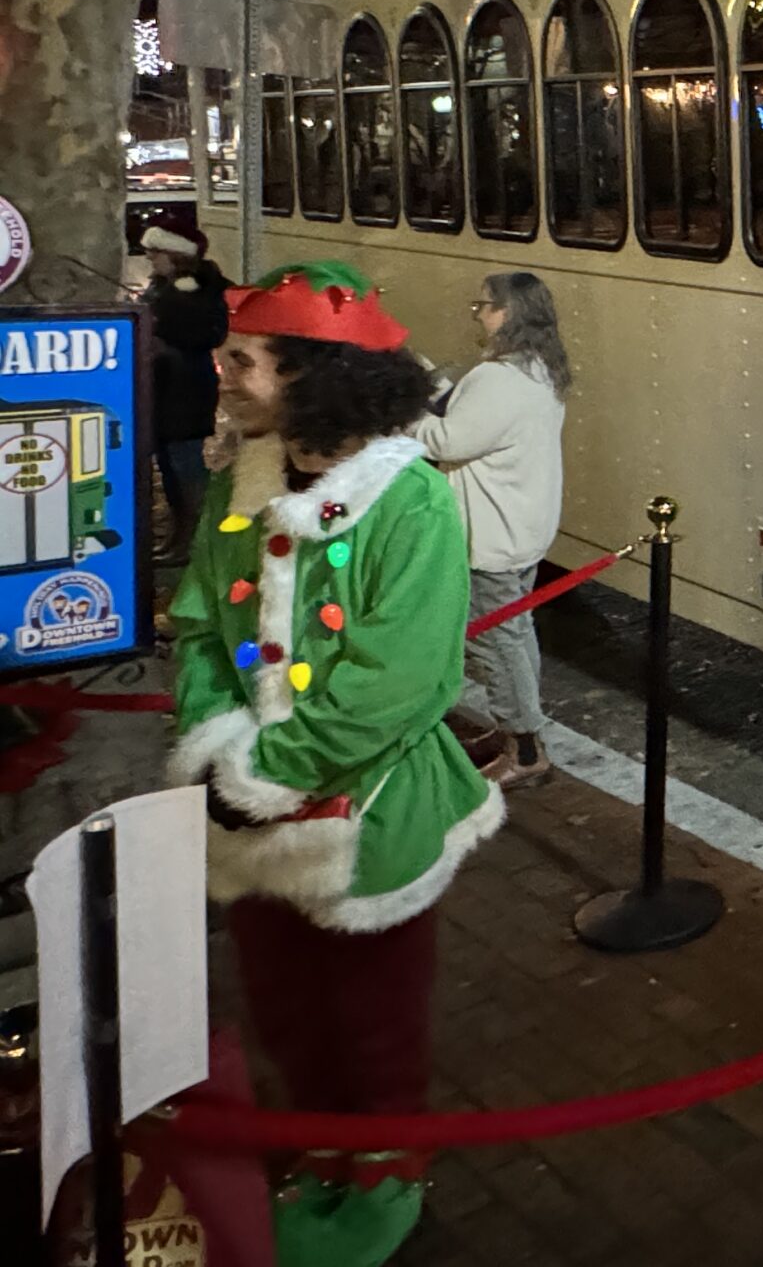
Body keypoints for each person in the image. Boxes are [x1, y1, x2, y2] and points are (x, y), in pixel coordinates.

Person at [165, 261, 498, 1267]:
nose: (220, 372)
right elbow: (194, 631)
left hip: (373, 814)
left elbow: (399, 684)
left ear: (315, 376)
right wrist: (219, 748)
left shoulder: (414, 508)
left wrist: (264, 775)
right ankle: (316, 1145)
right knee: (285, 1007)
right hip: (248, 812)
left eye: (242, 359)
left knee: (374, 1018)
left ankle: (386, 1165)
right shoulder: (242, 480)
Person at [415, 271, 570, 791]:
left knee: (496, 644)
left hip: (490, 536)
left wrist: (405, 413)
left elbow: (444, 440)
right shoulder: (537, 370)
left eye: (485, 305)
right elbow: (477, 419)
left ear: (512, 314)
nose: (478, 314)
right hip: (520, 527)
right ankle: (516, 730)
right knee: (516, 635)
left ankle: (524, 748)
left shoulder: (500, 379)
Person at [139, 220, 229, 561]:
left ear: (175, 255)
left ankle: (196, 539)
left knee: (185, 467)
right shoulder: (162, 286)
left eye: (156, 252)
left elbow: (204, 334)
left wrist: (162, 336)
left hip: (186, 391)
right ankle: (179, 537)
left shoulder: (197, 289)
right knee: (170, 467)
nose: (149, 258)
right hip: (163, 391)